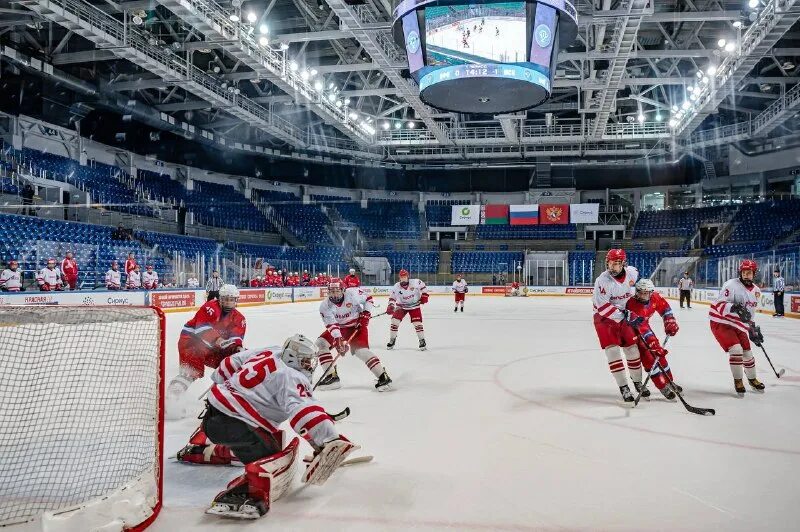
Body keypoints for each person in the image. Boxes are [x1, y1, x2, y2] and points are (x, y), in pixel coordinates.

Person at [189, 336, 358, 519]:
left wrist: (219, 382)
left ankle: (204, 451)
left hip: (213, 415)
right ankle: (246, 496)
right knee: (270, 458)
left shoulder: (271, 350)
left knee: (267, 437)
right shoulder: (292, 376)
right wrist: (329, 439)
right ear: (293, 358)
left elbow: (231, 362)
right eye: (305, 361)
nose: (309, 365)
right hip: (233, 425)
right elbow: (304, 411)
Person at [168, 284, 247, 398]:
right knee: (191, 370)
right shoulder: (210, 307)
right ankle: (172, 397)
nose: (228, 302)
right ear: (220, 299)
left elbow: (235, 339)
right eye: (225, 299)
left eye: (231, 300)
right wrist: (219, 340)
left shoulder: (240, 319)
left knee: (231, 366)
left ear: (236, 300)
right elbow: (202, 328)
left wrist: (237, 348)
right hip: (192, 341)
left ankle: (222, 398)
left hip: (213, 348)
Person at [314, 278, 392, 391]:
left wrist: (366, 313)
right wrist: (338, 339)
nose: (334, 294)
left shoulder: (353, 294)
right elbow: (331, 325)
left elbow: (368, 299)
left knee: (361, 351)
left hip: (356, 326)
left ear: (343, 290)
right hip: (339, 328)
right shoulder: (325, 306)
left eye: (337, 291)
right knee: (320, 344)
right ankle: (332, 377)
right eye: (331, 291)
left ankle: (382, 376)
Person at [592, 249, 642, 403]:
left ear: (623, 264)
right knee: (613, 351)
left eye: (616, 264)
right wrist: (624, 315)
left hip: (624, 315)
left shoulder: (632, 273)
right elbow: (603, 307)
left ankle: (638, 382)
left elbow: (638, 283)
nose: (612, 267)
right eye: (610, 263)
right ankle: (624, 387)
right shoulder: (602, 281)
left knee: (632, 350)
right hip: (604, 319)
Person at [709, 259, 765, 395]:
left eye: (749, 273)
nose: (746, 275)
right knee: (736, 349)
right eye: (744, 272)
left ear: (754, 274)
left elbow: (750, 315)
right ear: (740, 273)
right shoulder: (730, 285)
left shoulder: (756, 291)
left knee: (747, 352)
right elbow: (719, 305)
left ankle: (752, 379)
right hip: (721, 321)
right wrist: (733, 307)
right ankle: (738, 380)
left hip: (738, 324)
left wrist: (752, 329)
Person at [625, 279, 681, 400]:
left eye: (646, 293)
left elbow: (665, 308)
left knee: (660, 356)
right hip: (631, 332)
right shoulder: (633, 304)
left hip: (645, 328)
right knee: (650, 359)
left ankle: (669, 381)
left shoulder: (655, 297)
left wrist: (669, 321)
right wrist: (653, 344)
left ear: (651, 292)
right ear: (636, 292)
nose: (643, 295)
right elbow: (642, 328)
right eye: (641, 292)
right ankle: (662, 386)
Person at [386, 269, 429, 351]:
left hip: (414, 306)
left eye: (405, 276)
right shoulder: (396, 286)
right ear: (399, 278)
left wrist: (424, 295)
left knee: (417, 323)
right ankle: (392, 339)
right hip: (402, 307)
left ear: (408, 276)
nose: (403, 278)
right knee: (394, 321)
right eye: (402, 277)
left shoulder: (416, 282)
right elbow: (392, 297)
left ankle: (422, 340)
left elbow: (423, 287)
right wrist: (390, 305)